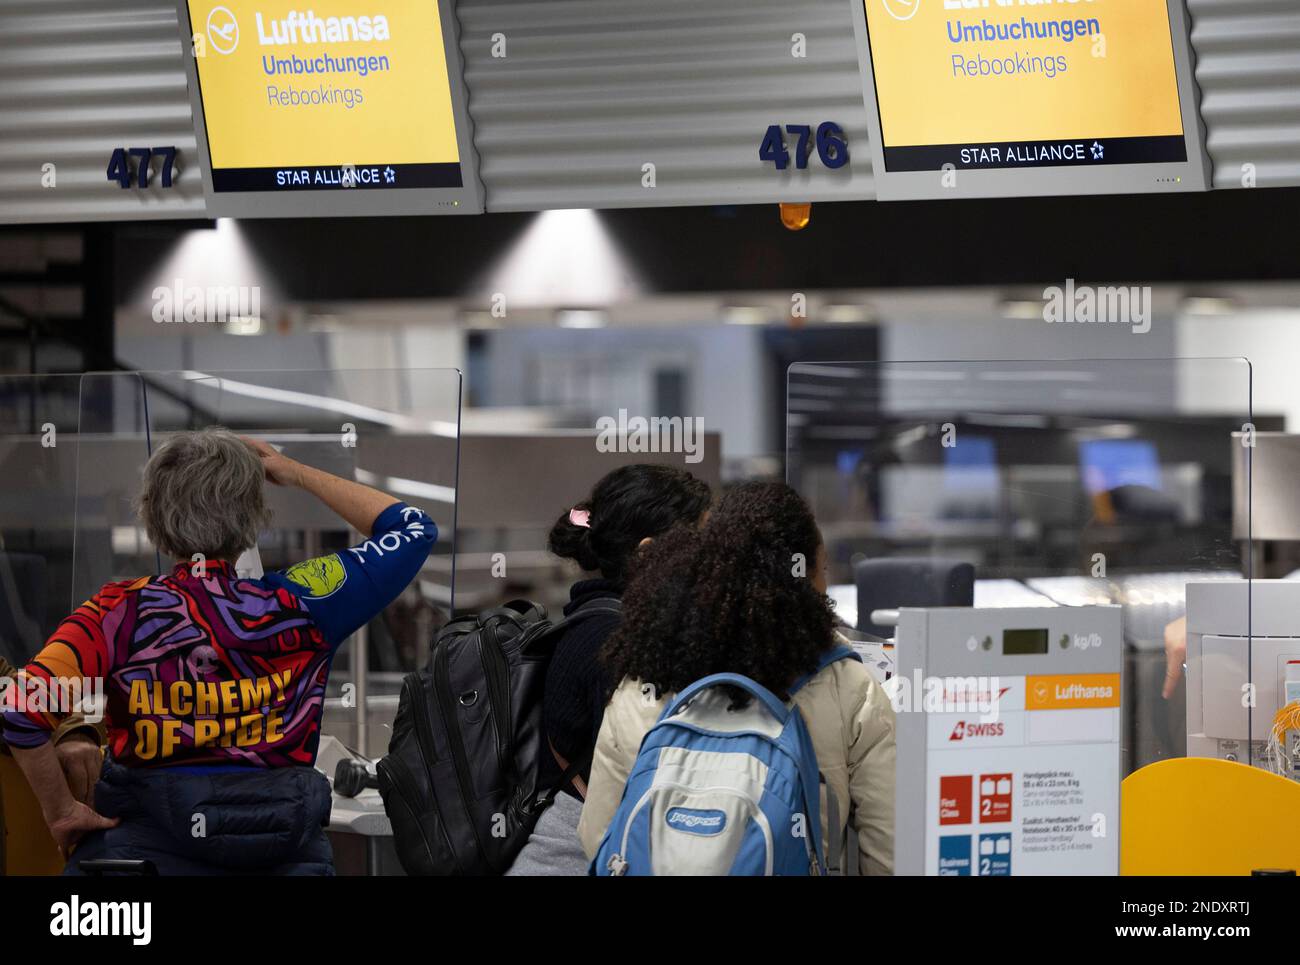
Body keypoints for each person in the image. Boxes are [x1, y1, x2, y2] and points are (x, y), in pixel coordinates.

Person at [1, 428, 437, 875]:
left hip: (142, 860)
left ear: (152, 517)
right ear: (254, 517)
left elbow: (20, 709)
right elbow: (415, 528)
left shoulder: (117, 612)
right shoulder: (305, 601)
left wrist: (62, 812)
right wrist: (295, 472)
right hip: (286, 857)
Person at [577, 481, 896, 875]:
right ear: (807, 577)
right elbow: (890, 852)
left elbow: (599, 836)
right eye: (823, 569)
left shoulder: (643, 681)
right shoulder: (848, 687)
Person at [506, 464, 710, 875]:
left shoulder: (594, 626)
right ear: (651, 552)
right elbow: (649, 783)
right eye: (705, 545)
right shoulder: (614, 642)